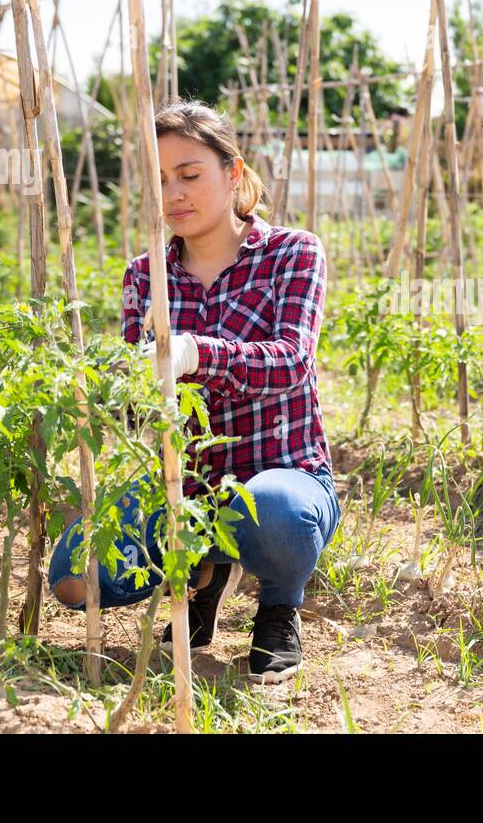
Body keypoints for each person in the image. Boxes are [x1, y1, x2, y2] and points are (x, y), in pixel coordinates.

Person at [47, 100, 339, 685]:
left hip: (283, 473)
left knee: (275, 516)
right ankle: (201, 570)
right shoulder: (144, 275)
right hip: (184, 487)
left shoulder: (292, 254)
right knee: (73, 576)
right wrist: (106, 389)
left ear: (232, 174)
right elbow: (139, 412)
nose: (172, 193)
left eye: (188, 175)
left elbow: (292, 363)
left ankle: (278, 606)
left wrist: (196, 353)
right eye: (157, 180)